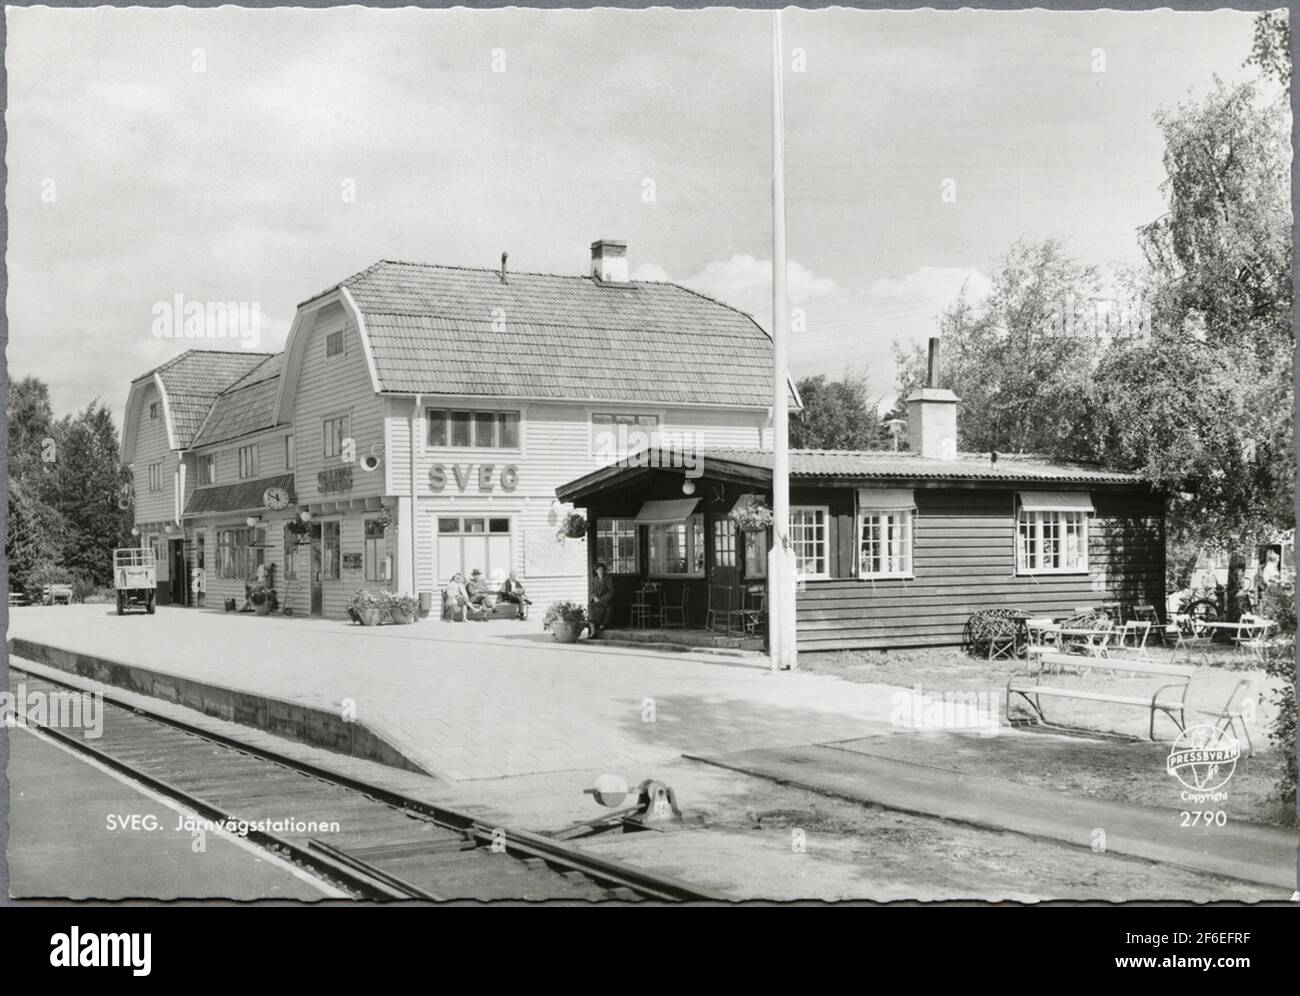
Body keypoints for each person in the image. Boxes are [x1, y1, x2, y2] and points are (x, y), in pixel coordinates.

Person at [587, 561, 614, 637]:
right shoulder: (594, 579)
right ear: (596, 571)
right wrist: (594, 597)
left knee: (606, 608)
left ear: (604, 570)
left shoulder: (608, 579)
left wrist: (602, 599)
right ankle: (592, 632)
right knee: (590, 607)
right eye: (599, 569)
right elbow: (591, 591)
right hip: (596, 600)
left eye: (602, 569)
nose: (600, 571)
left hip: (604, 600)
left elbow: (610, 591)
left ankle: (602, 624)